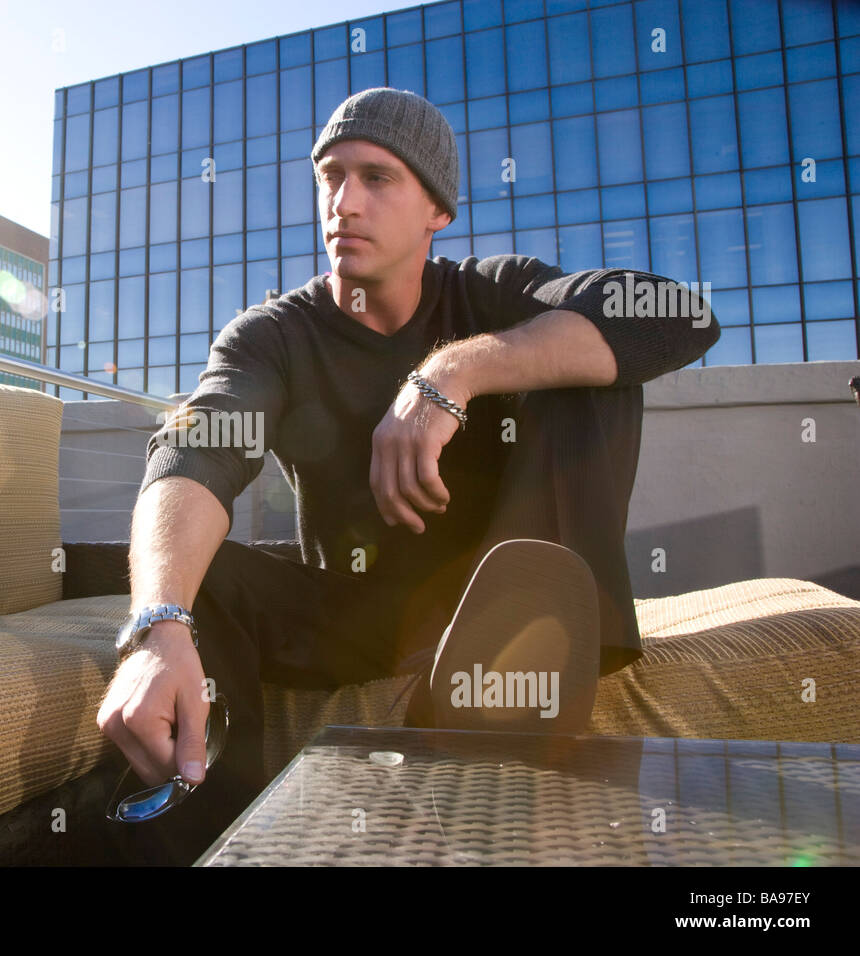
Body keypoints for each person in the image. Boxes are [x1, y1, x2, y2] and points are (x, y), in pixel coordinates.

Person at [95, 87, 722, 865]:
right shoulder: (274, 336)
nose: (344, 202)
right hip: (362, 609)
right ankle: (226, 831)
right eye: (331, 176)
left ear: (438, 211)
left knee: (594, 358)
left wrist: (454, 374)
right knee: (200, 574)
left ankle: (523, 660)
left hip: (512, 605)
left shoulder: (491, 291)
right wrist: (158, 626)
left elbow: (679, 313)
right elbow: (197, 450)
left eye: (377, 177)